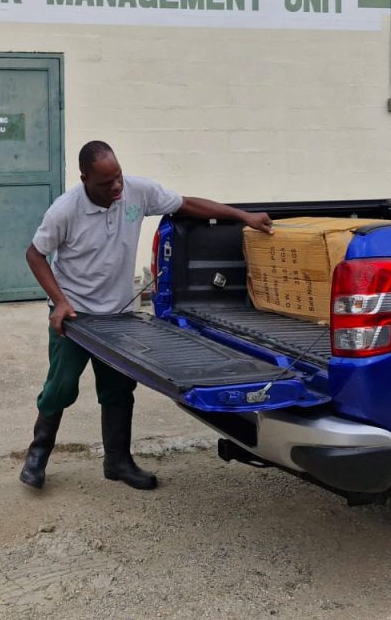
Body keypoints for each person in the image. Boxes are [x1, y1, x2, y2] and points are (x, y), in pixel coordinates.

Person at [19, 140, 273, 491]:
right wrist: (59, 301)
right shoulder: (65, 210)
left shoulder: (137, 192)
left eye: (119, 176)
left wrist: (243, 217)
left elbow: (188, 204)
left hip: (120, 315)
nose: (117, 187)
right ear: (85, 179)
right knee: (60, 388)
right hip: (76, 316)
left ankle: (118, 462)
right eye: (107, 183)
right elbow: (35, 254)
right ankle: (37, 455)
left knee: (119, 388)